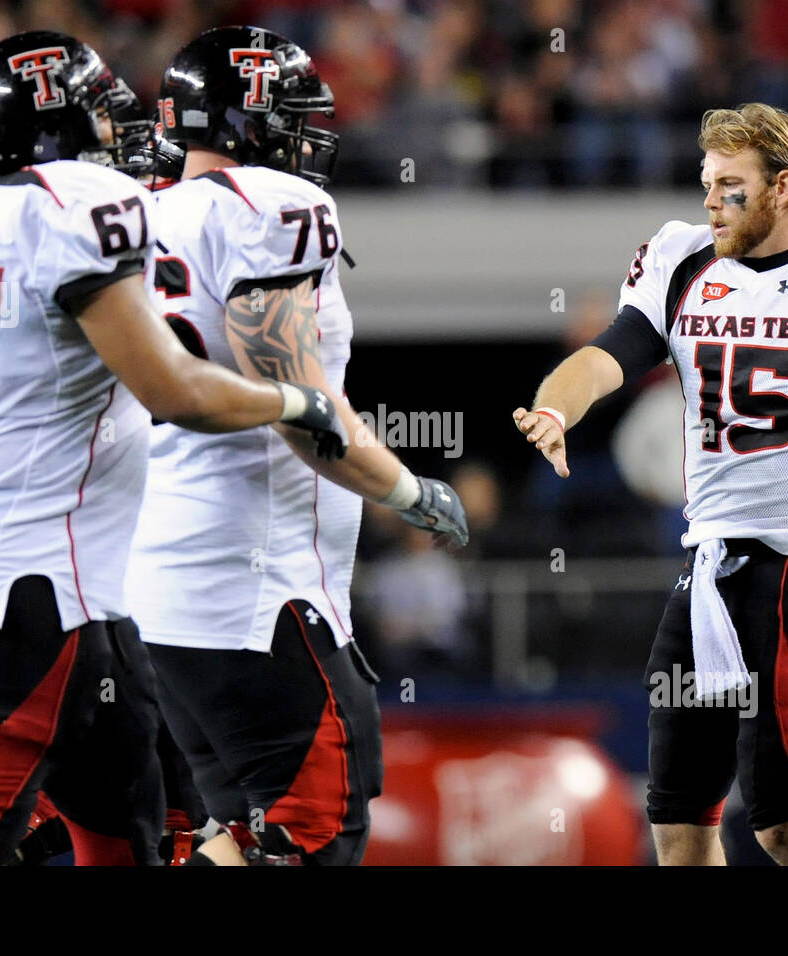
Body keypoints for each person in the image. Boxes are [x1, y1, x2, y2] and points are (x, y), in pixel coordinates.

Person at [0, 31, 346, 867]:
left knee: (143, 826)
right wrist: (296, 398)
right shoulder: (74, 203)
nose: (123, 129)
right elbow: (175, 390)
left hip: (71, 593)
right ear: (59, 124)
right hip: (29, 583)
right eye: (101, 110)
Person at [513, 103, 788, 866]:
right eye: (705, 182)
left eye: (729, 184)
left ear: (783, 187)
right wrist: (556, 404)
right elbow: (608, 354)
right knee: (680, 826)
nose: (708, 200)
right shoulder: (685, 263)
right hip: (706, 577)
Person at [125, 26, 468, 865]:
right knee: (318, 828)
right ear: (252, 121)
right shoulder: (272, 208)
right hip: (252, 586)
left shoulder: (132, 214)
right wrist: (406, 490)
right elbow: (300, 409)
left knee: (237, 832)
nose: (312, 133)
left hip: (155, 587)